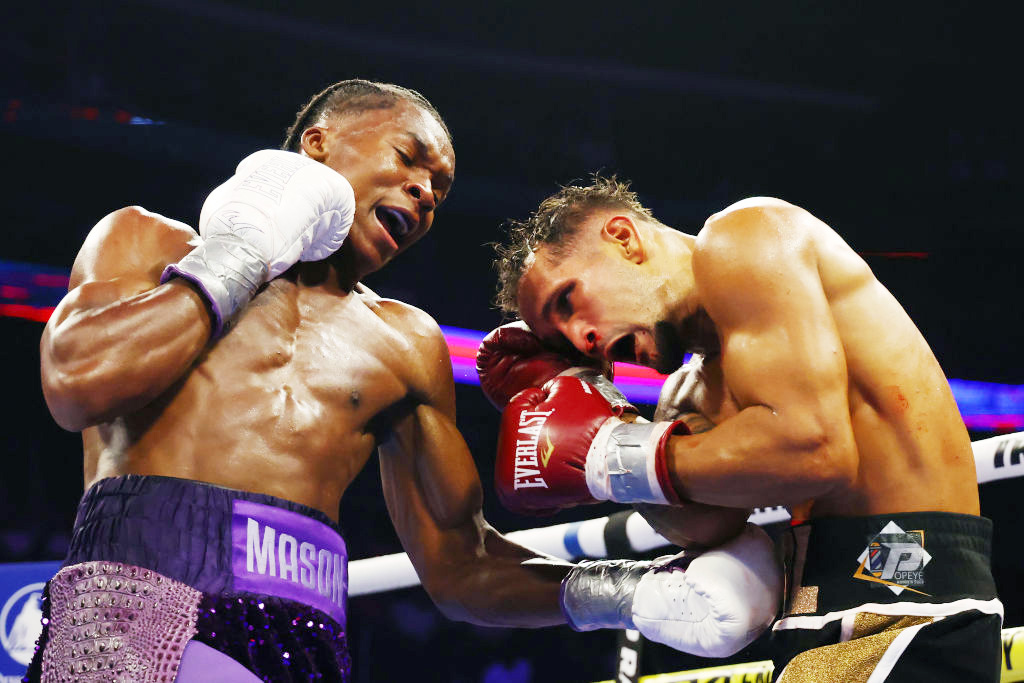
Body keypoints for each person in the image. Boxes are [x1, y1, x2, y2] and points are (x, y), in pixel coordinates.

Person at [32, 81, 781, 682]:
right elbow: (77, 381)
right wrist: (242, 250)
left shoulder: (405, 342)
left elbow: (464, 568)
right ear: (318, 142)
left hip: (304, 639)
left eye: (441, 187)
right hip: (137, 606)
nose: (426, 191)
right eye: (410, 157)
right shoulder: (148, 240)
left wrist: (638, 594)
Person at [487, 176, 1003, 682]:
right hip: (815, 618)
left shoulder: (743, 238)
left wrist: (609, 455)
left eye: (568, 301)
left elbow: (815, 451)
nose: (585, 339)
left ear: (624, 239)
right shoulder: (684, 395)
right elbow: (704, 528)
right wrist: (598, 409)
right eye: (566, 342)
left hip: (905, 592)